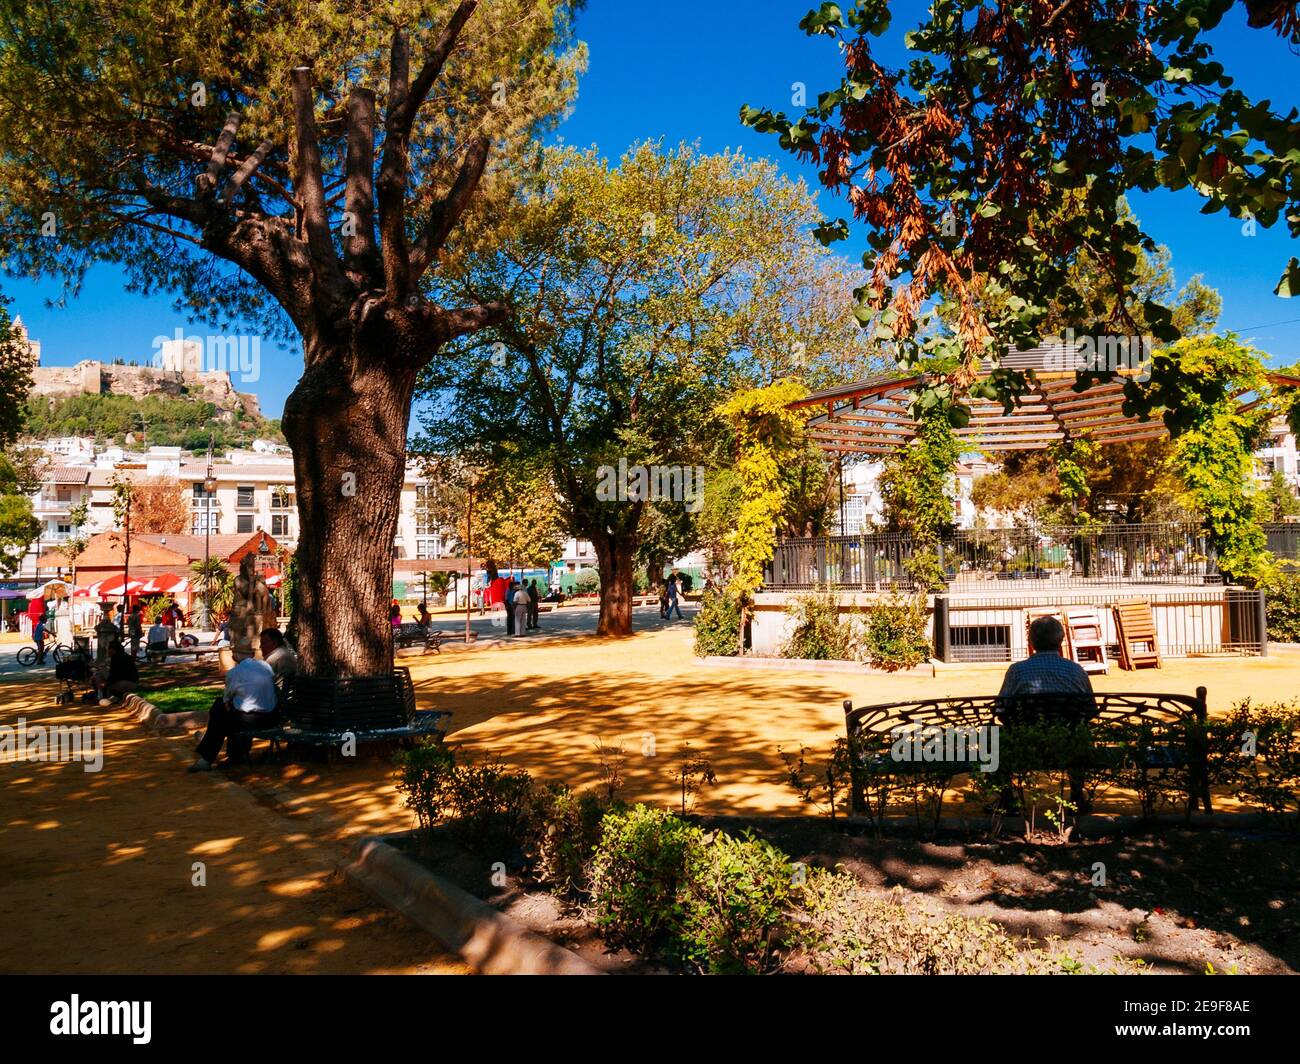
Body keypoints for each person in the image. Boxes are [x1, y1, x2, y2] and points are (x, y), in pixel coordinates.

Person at [996, 615, 1095, 812]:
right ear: (1061, 641)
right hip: (1068, 742)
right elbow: (1090, 709)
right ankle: (1077, 795)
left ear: (1031, 642)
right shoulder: (1076, 670)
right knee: (1082, 731)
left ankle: (1006, 798)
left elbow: (1001, 709)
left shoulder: (1017, 671)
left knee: (987, 737)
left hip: (1024, 743)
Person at [188, 631, 280, 772]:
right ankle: (235, 754)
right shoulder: (265, 667)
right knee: (228, 713)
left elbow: (227, 698)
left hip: (252, 720)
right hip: (271, 716)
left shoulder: (234, 673)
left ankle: (206, 757)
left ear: (235, 655)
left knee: (219, 710)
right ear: (252, 654)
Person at [93, 638, 139, 705]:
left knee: (106, 685)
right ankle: (101, 697)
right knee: (99, 675)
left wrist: (105, 683)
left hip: (127, 683)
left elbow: (115, 675)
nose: (108, 651)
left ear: (112, 650)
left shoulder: (117, 658)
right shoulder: (122, 655)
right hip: (129, 682)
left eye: (109, 649)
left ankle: (106, 698)